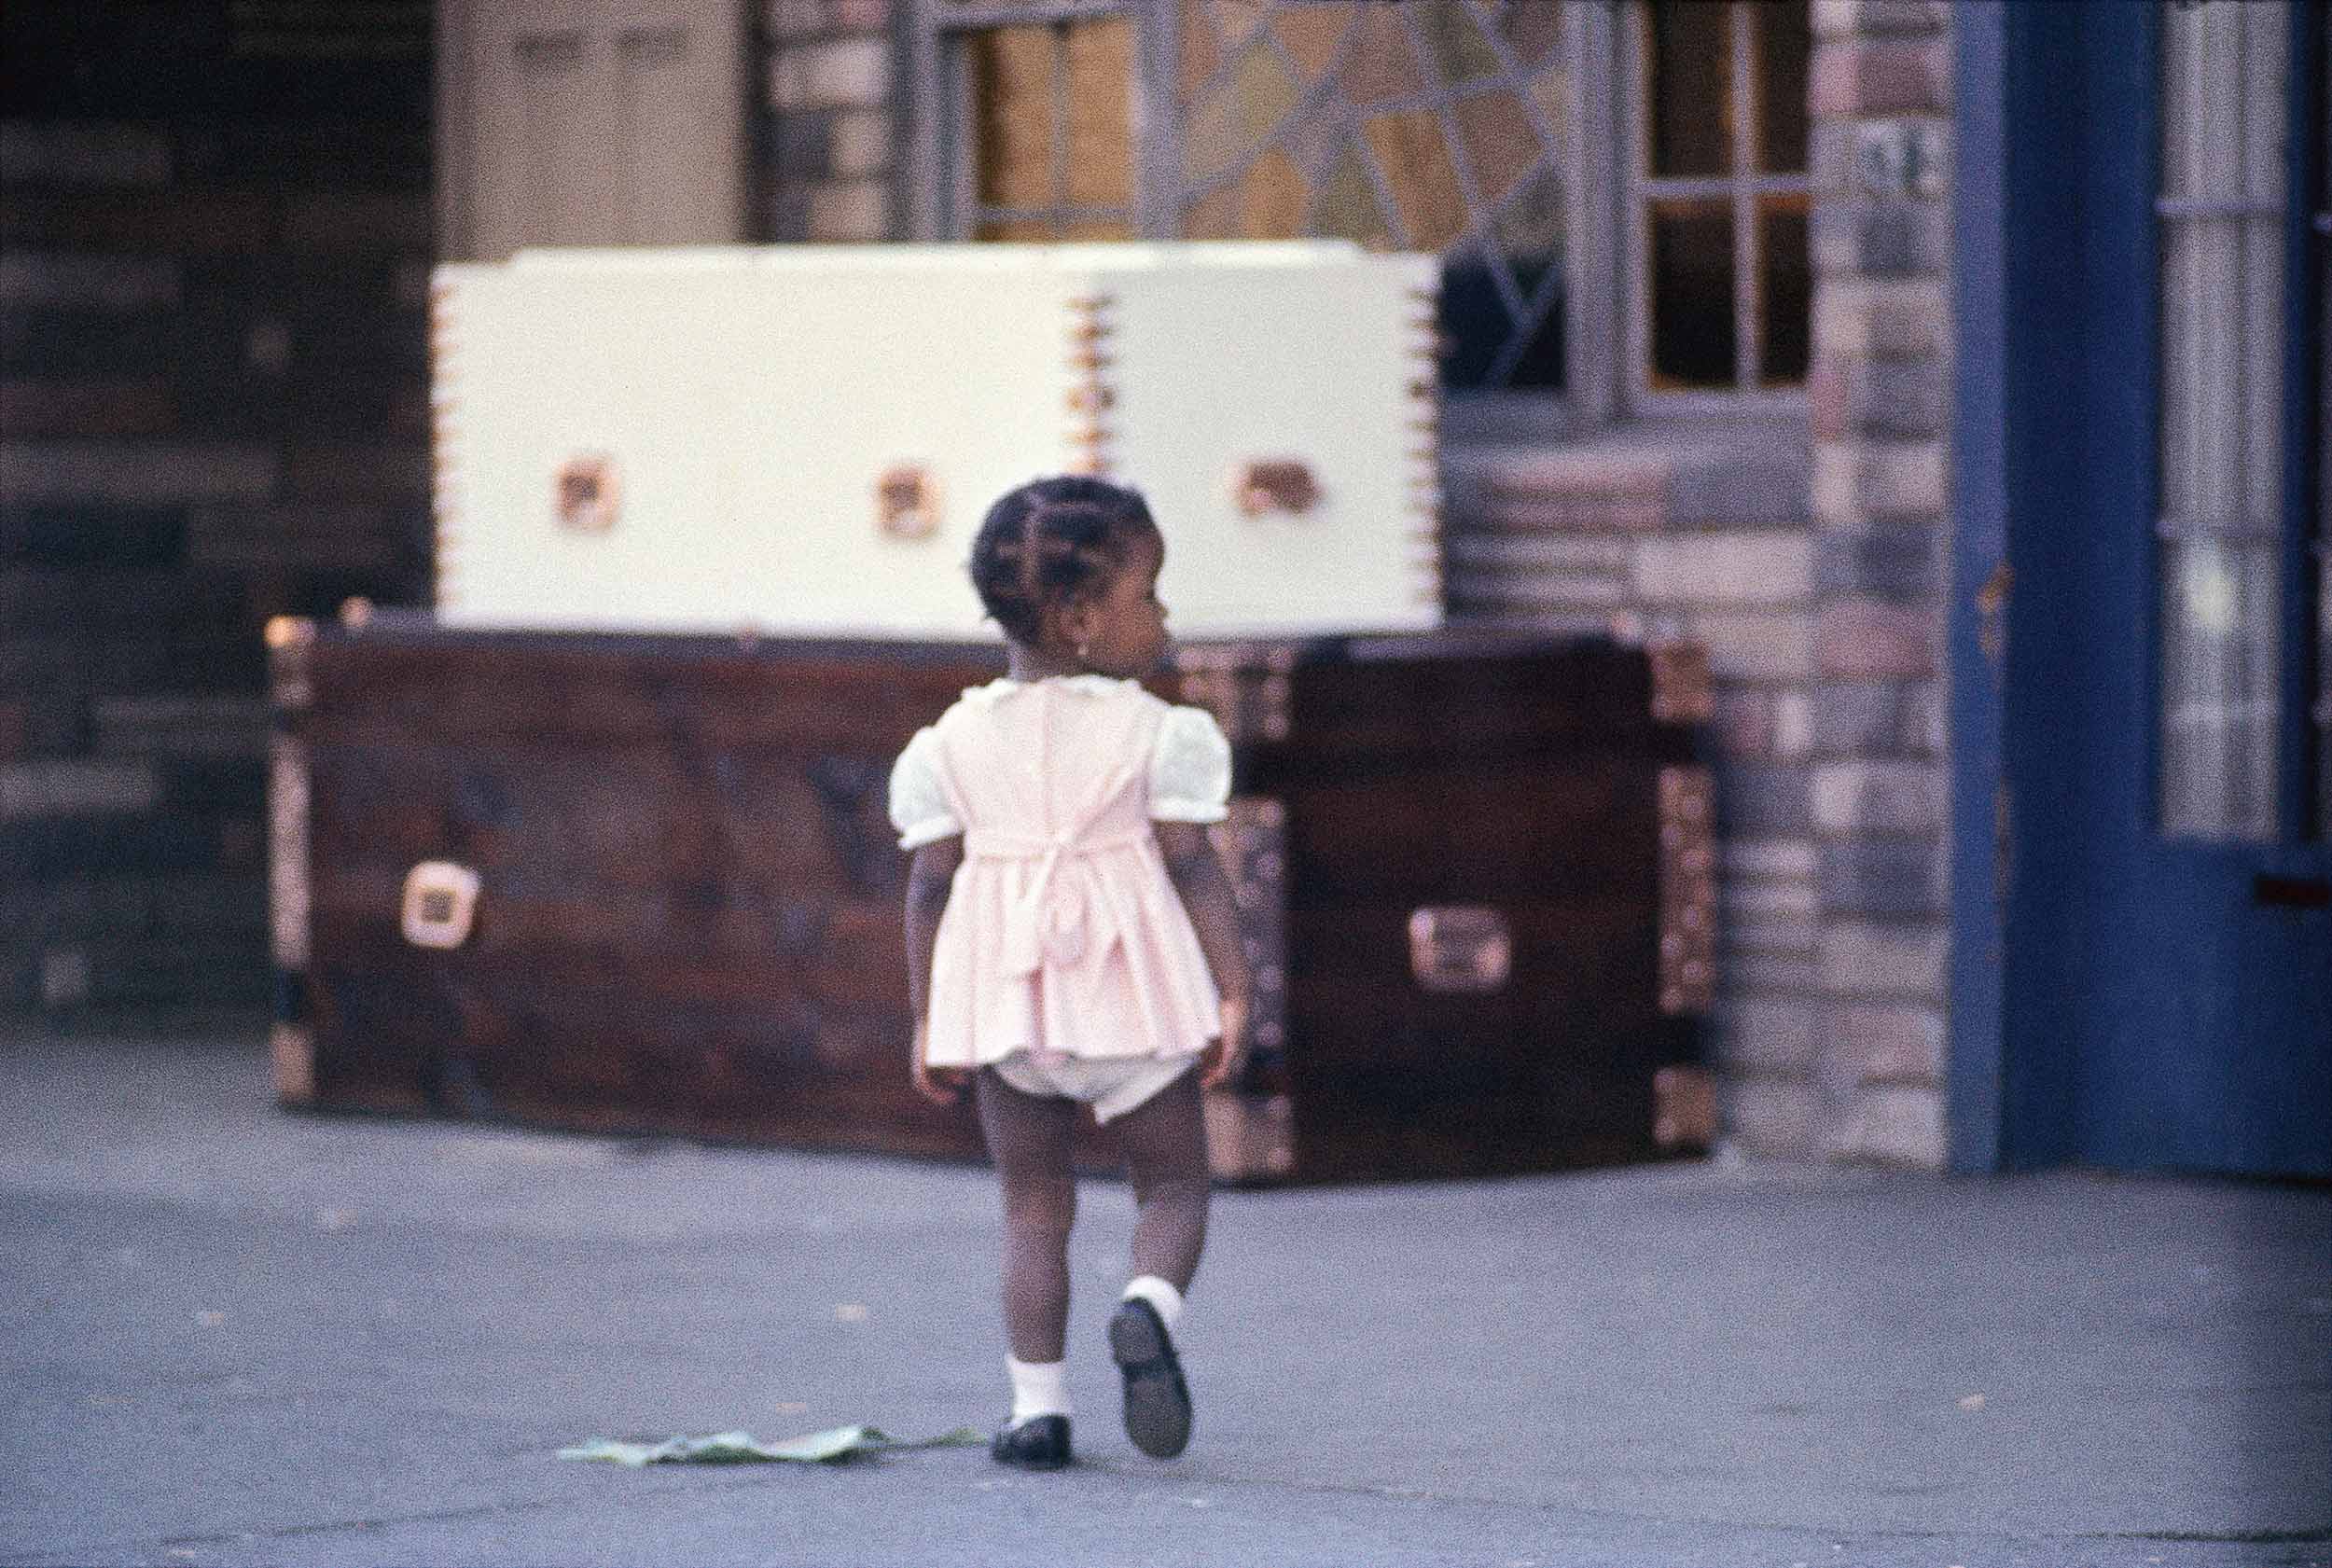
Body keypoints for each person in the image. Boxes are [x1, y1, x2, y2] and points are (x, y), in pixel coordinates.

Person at [887, 474, 1251, 1472]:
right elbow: (1190, 865)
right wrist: (1231, 989)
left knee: (1032, 1210)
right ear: (1085, 619)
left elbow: (929, 889)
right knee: (1173, 1187)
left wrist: (929, 1020)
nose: (1165, 618)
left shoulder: (949, 744)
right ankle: (1147, 1305)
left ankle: (1036, 1410)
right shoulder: (1154, 732)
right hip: (1131, 1008)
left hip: (1008, 1014)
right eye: (1151, 595)